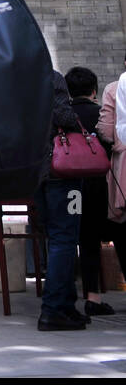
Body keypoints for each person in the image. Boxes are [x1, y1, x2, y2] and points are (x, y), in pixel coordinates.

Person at [65, 66, 126, 318]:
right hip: (106, 184)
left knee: (87, 241)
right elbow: (107, 135)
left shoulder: (64, 116)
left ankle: (92, 297)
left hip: (76, 188)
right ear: (94, 90)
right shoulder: (100, 111)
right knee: (121, 236)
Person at [35, 70, 85, 330]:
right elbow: (63, 115)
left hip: (32, 171)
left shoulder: (9, 78)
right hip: (58, 168)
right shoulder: (49, 77)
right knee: (64, 238)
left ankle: (66, 305)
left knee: (55, 238)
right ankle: (53, 309)